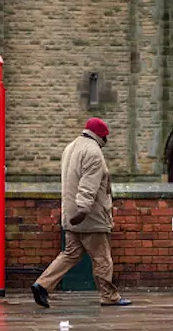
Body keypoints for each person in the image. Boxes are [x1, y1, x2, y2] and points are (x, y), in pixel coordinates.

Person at [31, 118, 131, 308]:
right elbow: (87, 186)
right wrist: (83, 210)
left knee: (70, 253)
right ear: (101, 135)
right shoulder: (93, 152)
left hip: (70, 214)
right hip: (88, 216)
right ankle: (109, 296)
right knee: (102, 258)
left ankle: (42, 284)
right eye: (106, 137)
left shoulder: (70, 148)